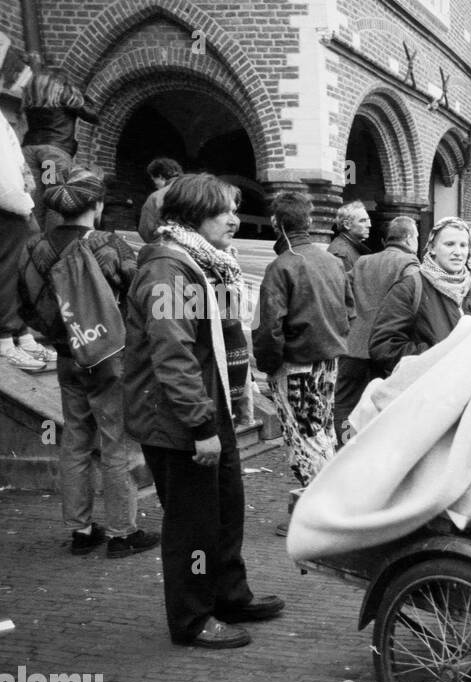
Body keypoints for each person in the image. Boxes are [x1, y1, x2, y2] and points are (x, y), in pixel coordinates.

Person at [124, 173, 284, 649]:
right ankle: (193, 619)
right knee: (192, 523)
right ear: (193, 216)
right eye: (224, 211)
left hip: (210, 411)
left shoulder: (200, 263)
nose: (235, 219)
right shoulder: (167, 270)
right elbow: (172, 354)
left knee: (226, 506)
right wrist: (199, 424)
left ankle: (228, 594)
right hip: (178, 421)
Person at [16, 166, 160, 558]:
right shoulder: (110, 244)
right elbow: (139, 295)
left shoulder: (35, 247)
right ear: (96, 204)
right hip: (111, 356)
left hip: (67, 355)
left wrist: (61, 335)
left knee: (75, 441)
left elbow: (26, 304)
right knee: (117, 443)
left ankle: (80, 531)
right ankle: (121, 532)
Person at [253, 191, 350, 531]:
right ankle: (326, 511)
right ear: (308, 221)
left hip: (296, 365)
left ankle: (324, 518)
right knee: (321, 433)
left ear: (276, 224)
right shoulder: (331, 261)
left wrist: (268, 364)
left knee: (308, 438)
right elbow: (349, 310)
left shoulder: (282, 266)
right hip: (327, 361)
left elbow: (270, 328)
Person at [370, 216, 471, 376]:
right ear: (432, 247)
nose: (458, 252)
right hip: (424, 389)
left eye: (463, 245)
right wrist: (433, 355)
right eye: (449, 244)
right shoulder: (410, 287)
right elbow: (384, 345)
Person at [339, 215, 419, 439]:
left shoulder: (363, 261)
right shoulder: (409, 266)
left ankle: (344, 450)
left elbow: (344, 293)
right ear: (409, 238)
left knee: (345, 404)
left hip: (353, 346)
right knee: (381, 406)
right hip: (384, 349)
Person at [1, 102, 49, 372]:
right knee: (11, 272)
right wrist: (24, 205)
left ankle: (20, 332)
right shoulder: (51, 155)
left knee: (20, 273)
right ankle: (7, 339)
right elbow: (6, 174)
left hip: (18, 205)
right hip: (12, 207)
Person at [21, 69, 98, 231]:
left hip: (29, 150)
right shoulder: (65, 95)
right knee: (55, 197)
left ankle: (33, 245)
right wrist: (79, 96)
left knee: (34, 199)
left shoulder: (33, 96)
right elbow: (93, 115)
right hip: (53, 153)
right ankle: (52, 243)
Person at [137, 156, 182, 243]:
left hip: (169, 248)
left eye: (154, 180)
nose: (155, 185)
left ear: (160, 176)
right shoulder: (199, 191)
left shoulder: (156, 197)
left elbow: (146, 233)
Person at [326, 200, 370, 272]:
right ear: (347, 225)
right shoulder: (342, 254)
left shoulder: (349, 248)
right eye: (362, 221)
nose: (369, 225)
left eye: (368, 220)